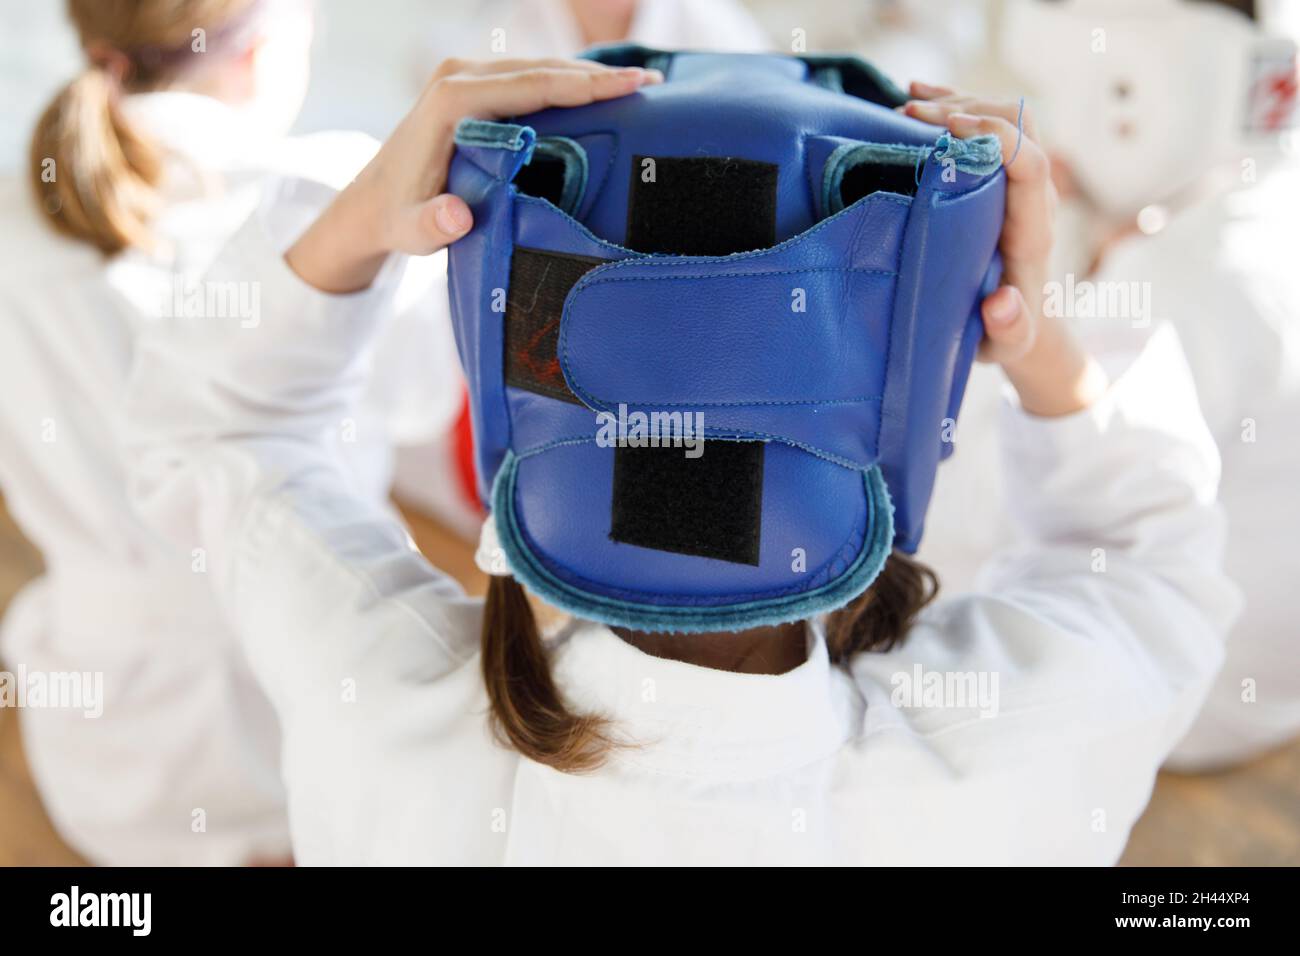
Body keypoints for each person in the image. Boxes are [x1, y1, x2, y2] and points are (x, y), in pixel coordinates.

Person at [124, 55, 1237, 864]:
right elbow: (1147, 545)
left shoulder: (384, 713)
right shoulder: (1017, 756)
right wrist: (1030, 327)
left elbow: (223, 435)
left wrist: (360, 219)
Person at [0, 0, 461, 864]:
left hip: (114, 747)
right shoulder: (343, 199)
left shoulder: (10, 225)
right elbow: (419, 404)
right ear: (262, 47)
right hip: (328, 689)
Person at [923, 0, 1300, 770]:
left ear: (1132, 92)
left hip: (1183, 713)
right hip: (1251, 695)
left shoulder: (1186, 283)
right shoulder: (1246, 224)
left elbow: (959, 537)